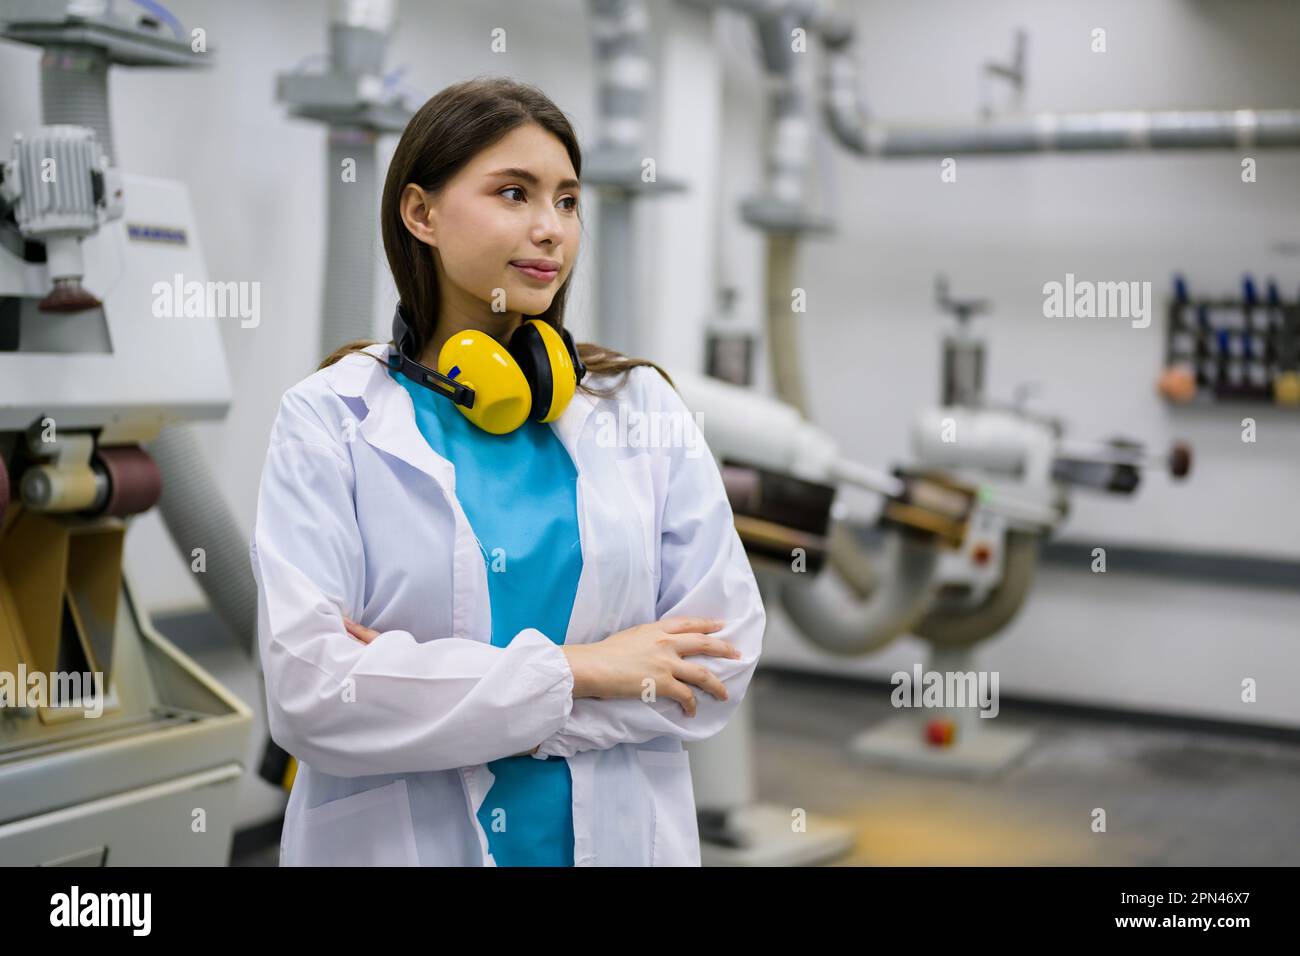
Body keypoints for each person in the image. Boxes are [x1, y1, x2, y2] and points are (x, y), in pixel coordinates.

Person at [249, 76, 765, 866]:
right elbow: (312, 696)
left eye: (566, 200)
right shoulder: (328, 419)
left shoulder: (639, 407)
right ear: (420, 213)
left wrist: (422, 692)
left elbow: (715, 660)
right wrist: (589, 670)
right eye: (514, 193)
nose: (550, 228)